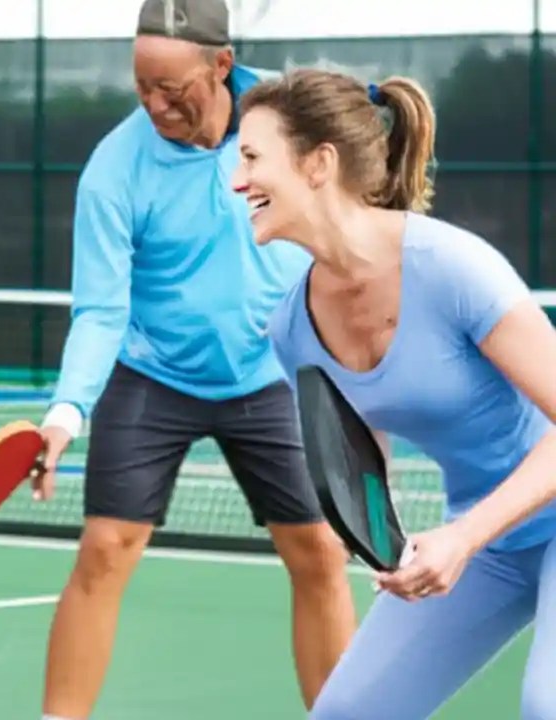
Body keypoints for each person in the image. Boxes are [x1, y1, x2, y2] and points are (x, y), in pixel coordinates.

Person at [34, 1, 357, 717]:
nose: (155, 104)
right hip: (154, 376)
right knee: (106, 549)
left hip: (274, 375)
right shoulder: (114, 170)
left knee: (321, 554)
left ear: (220, 65)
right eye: (141, 86)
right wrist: (64, 414)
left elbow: (359, 182)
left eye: (171, 88)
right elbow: (100, 310)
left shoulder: (291, 114)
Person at [235, 66, 556, 720]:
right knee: (346, 712)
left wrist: (463, 538)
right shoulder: (291, 327)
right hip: (489, 543)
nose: (238, 181)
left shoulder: (452, 269)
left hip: (494, 529)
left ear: (318, 163)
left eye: (251, 158)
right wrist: (393, 549)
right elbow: (361, 465)